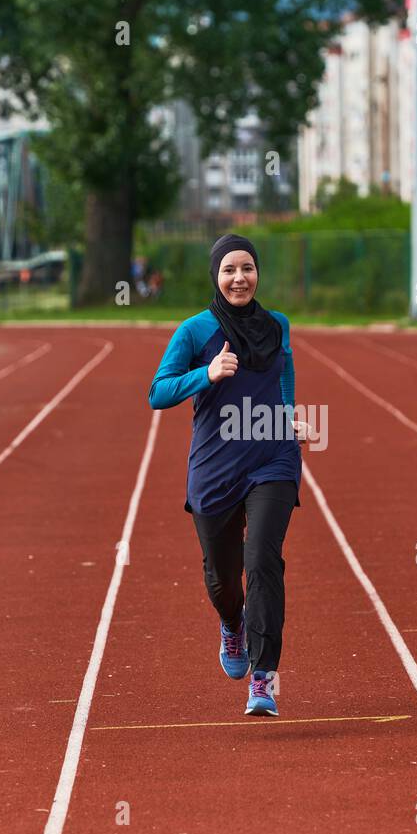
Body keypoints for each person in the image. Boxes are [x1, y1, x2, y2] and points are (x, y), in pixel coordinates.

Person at [148, 233, 305, 716]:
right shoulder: (195, 332)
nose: (240, 278)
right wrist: (208, 374)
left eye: (248, 268)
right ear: (216, 277)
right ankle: (231, 623)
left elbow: (284, 379)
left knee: (262, 561)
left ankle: (263, 678)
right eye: (229, 270)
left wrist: (289, 416)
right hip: (215, 467)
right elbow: (157, 393)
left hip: (271, 459)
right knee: (223, 579)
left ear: (258, 273)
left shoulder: (277, 325)